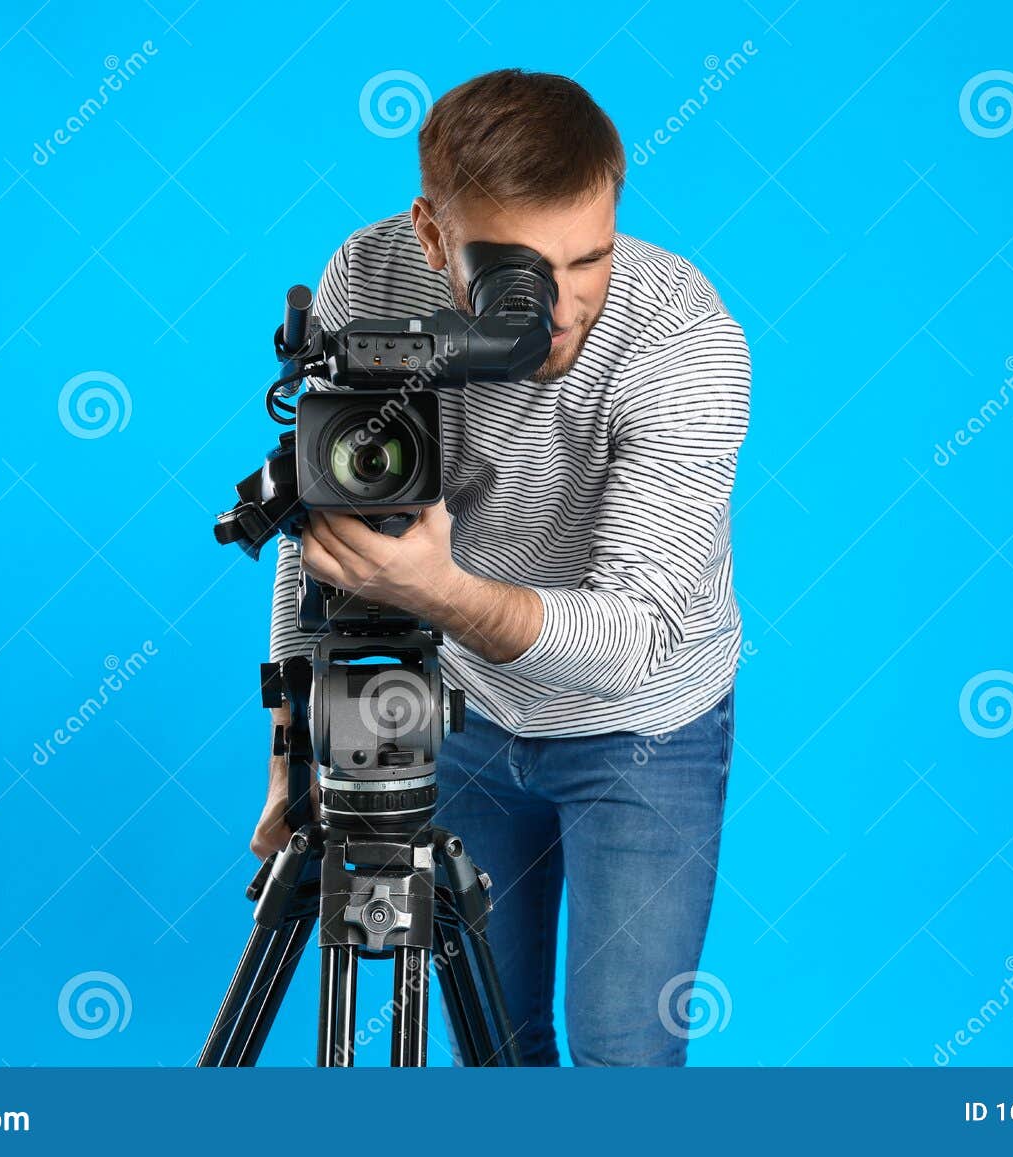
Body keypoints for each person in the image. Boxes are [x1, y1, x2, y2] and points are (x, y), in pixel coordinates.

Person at [250, 68, 751, 1066]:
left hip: (640, 729)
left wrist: (439, 593)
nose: (556, 309)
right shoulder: (374, 277)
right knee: (504, 1043)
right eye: (517, 269)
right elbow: (327, 516)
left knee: (624, 1057)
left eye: (589, 260)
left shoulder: (681, 339)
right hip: (456, 709)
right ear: (433, 234)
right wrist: (291, 748)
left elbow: (636, 640)